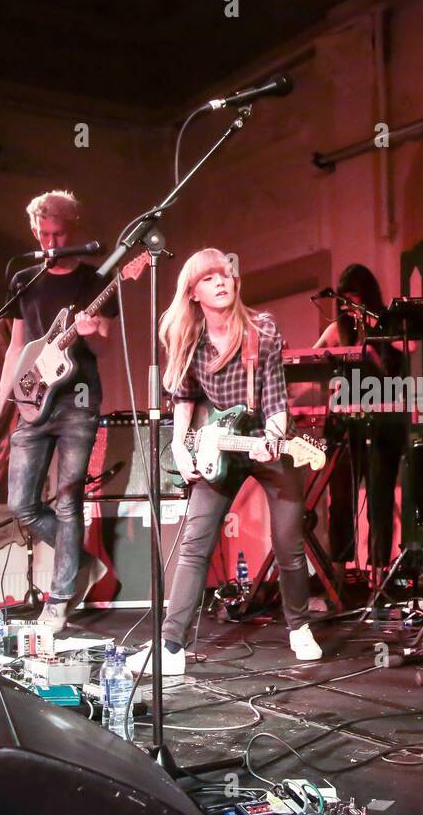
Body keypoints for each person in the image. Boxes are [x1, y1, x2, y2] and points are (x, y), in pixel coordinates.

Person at [136, 247, 321, 676]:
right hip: (219, 446)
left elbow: (276, 401)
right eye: (208, 277)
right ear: (194, 292)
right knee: (194, 545)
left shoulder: (263, 330)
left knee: (289, 543)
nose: (221, 281)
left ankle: (298, 628)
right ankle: (171, 645)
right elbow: (183, 402)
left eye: (225, 274)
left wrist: (272, 440)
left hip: (264, 440)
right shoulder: (188, 340)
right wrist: (182, 448)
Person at [0, 190, 113, 630]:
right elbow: (16, 348)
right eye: (42, 233)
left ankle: (58, 600)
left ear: (71, 229)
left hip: (77, 400)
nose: (50, 240)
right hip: (33, 400)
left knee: (69, 501)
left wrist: (93, 327)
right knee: (22, 504)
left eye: (57, 232)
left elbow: (106, 329)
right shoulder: (24, 279)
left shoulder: (94, 280)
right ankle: (82, 565)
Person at [312, 264, 406, 581]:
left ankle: (379, 573)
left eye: (356, 298)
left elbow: (398, 360)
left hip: (382, 425)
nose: (349, 305)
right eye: (345, 299)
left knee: (380, 500)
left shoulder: (388, 325)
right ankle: (340, 573)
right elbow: (310, 360)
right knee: (340, 502)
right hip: (344, 425)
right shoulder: (338, 329)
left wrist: (373, 332)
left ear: (368, 297)